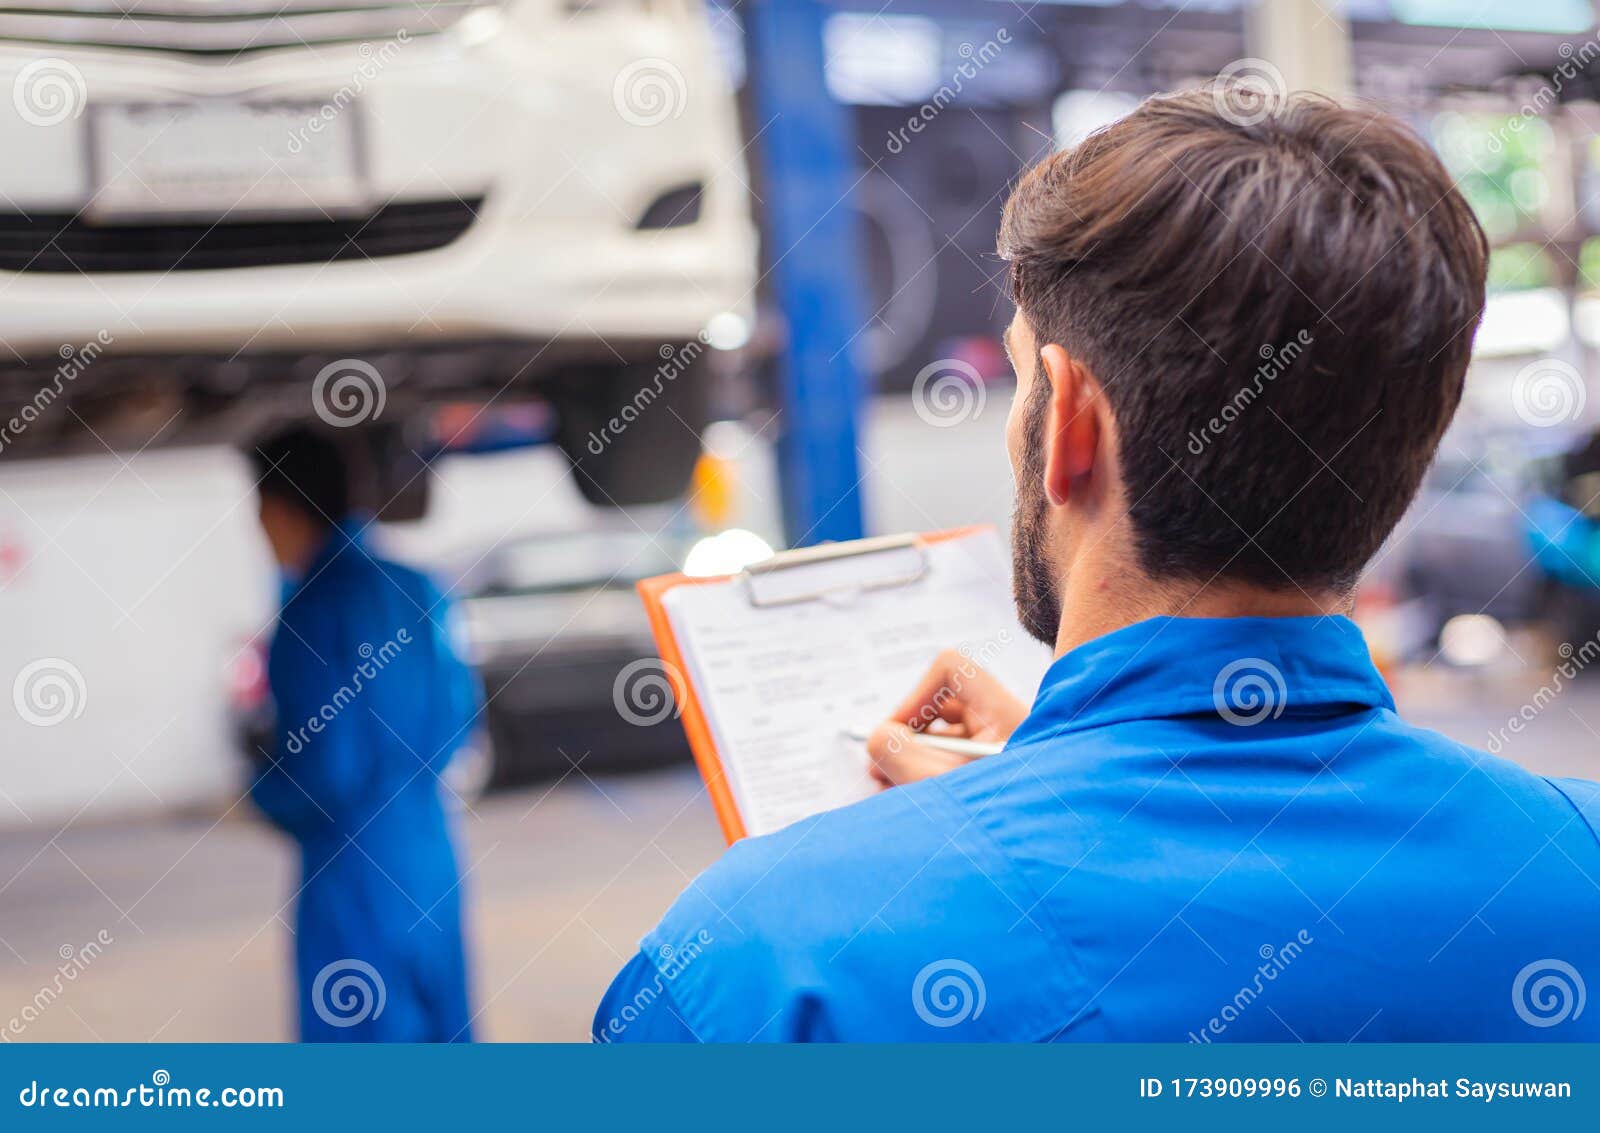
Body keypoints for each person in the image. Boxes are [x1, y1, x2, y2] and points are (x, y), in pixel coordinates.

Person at [595, 88, 1600, 1042]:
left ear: (1069, 418)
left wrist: (949, 846)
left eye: (1023, 374)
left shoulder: (764, 961)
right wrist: (1044, 768)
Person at [248, 426, 480, 1042]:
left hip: (354, 872)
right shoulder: (420, 587)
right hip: (430, 856)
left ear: (277, 508)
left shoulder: (311, 609)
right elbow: (463, 716)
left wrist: (260, 792)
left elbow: (325, 769)